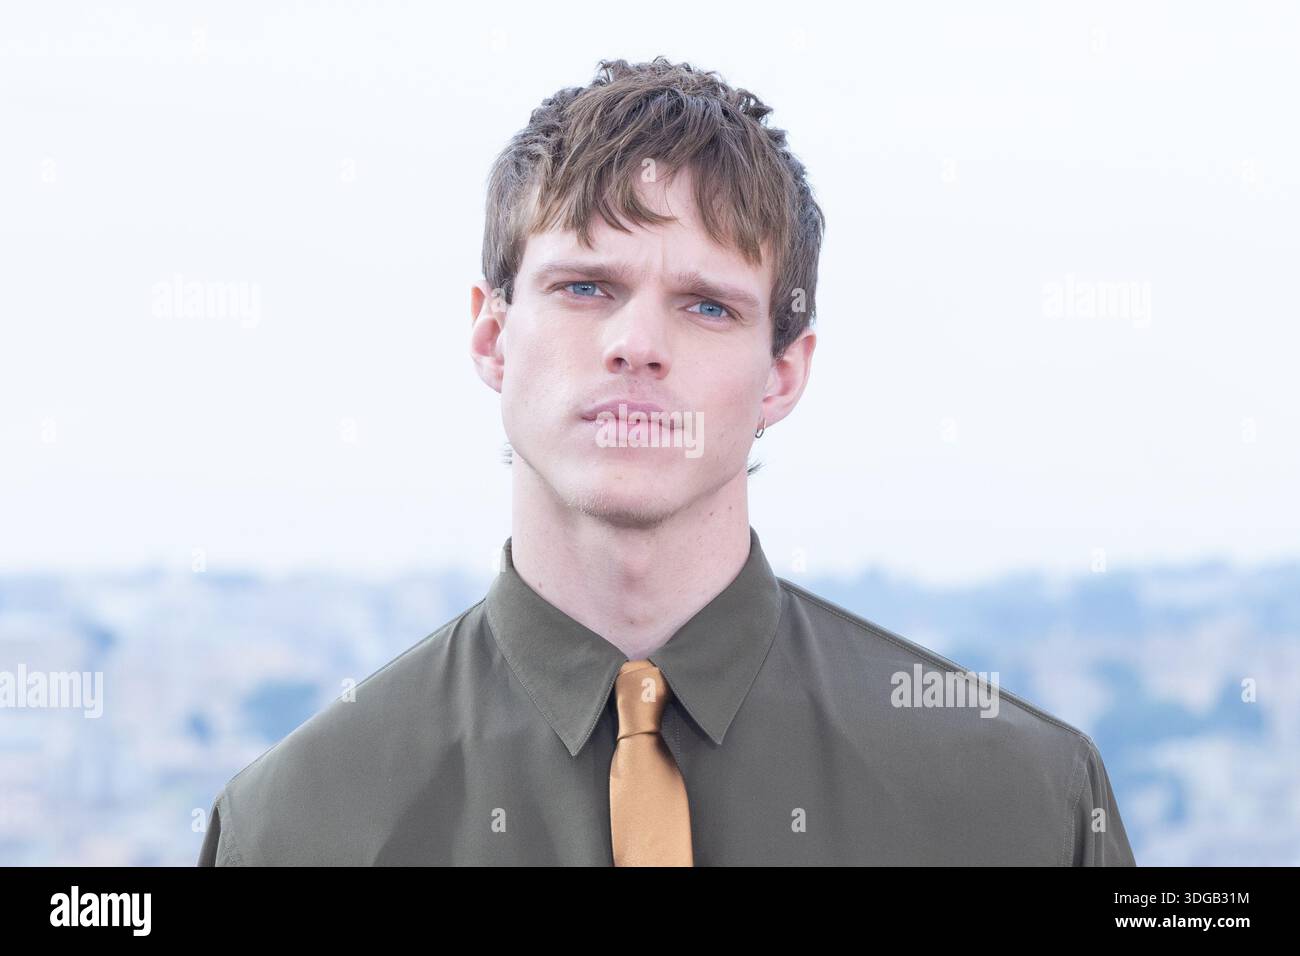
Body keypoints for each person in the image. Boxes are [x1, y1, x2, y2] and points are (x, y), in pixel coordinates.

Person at [198, 56, 1135, 866]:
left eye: (708, 306)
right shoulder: (294, 829)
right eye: (583, 286)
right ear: (491, 336)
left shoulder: (1024, 806)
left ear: (781, 375)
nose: (636, 342)